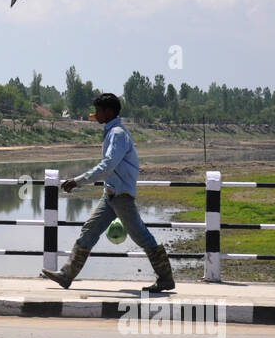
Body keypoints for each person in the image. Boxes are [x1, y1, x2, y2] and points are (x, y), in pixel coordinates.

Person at [40, 92, 175, 292]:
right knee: (89, 231)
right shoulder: (112, 132)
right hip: (111, 195)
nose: (95, 114)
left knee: (141, 236)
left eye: (98, 111)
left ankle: (165, 279)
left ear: (109, 112)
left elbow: (108, 165)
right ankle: (66, 275)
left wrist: (78, 181)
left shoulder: (118, 134)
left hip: (120, 196)